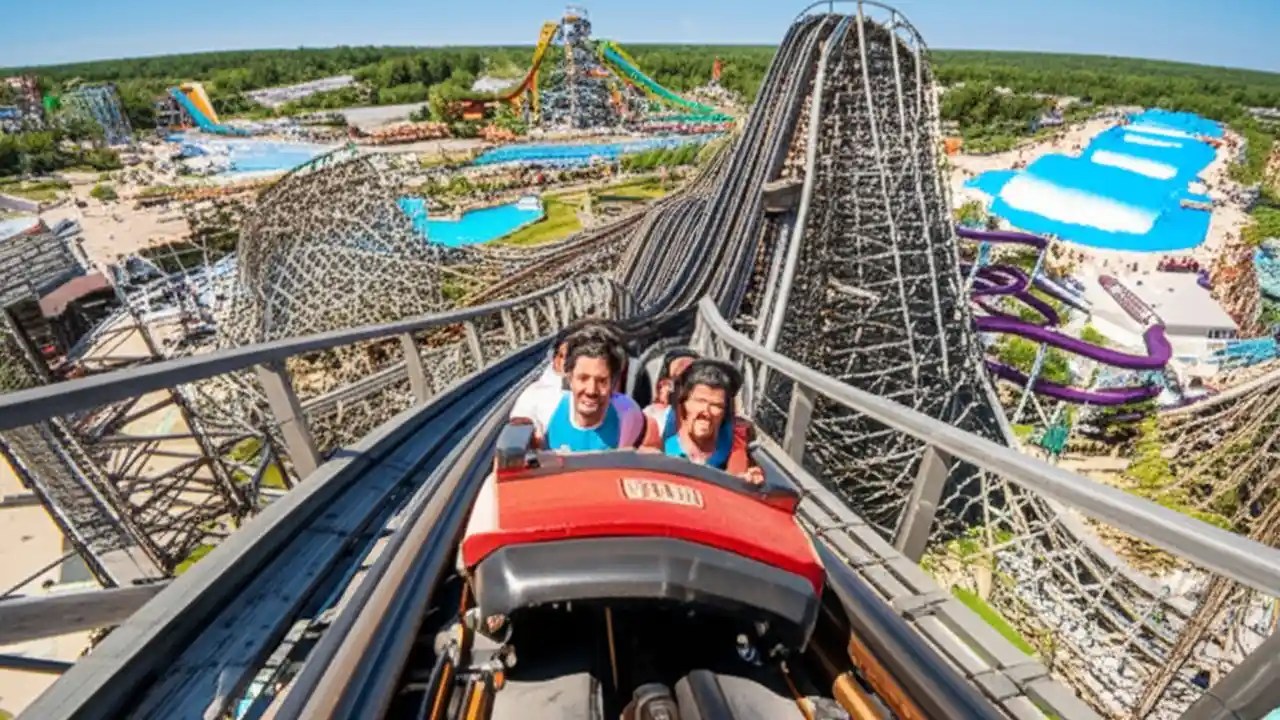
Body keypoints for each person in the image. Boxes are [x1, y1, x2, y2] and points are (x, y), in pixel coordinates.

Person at [518, 334, 645, 452]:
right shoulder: (546, 408)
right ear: (570, 378)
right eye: (583, 378)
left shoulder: (627, 412)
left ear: (613, 382)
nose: (591, 390)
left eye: (601, 381)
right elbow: (514, 434)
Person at [649, 359, 764, 484]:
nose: (706, 412)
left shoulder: (738, 437)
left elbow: (741, 478)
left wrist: (751, 480)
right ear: (683, 403)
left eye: (716, 405)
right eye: (700, 401)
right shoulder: (656, 427)